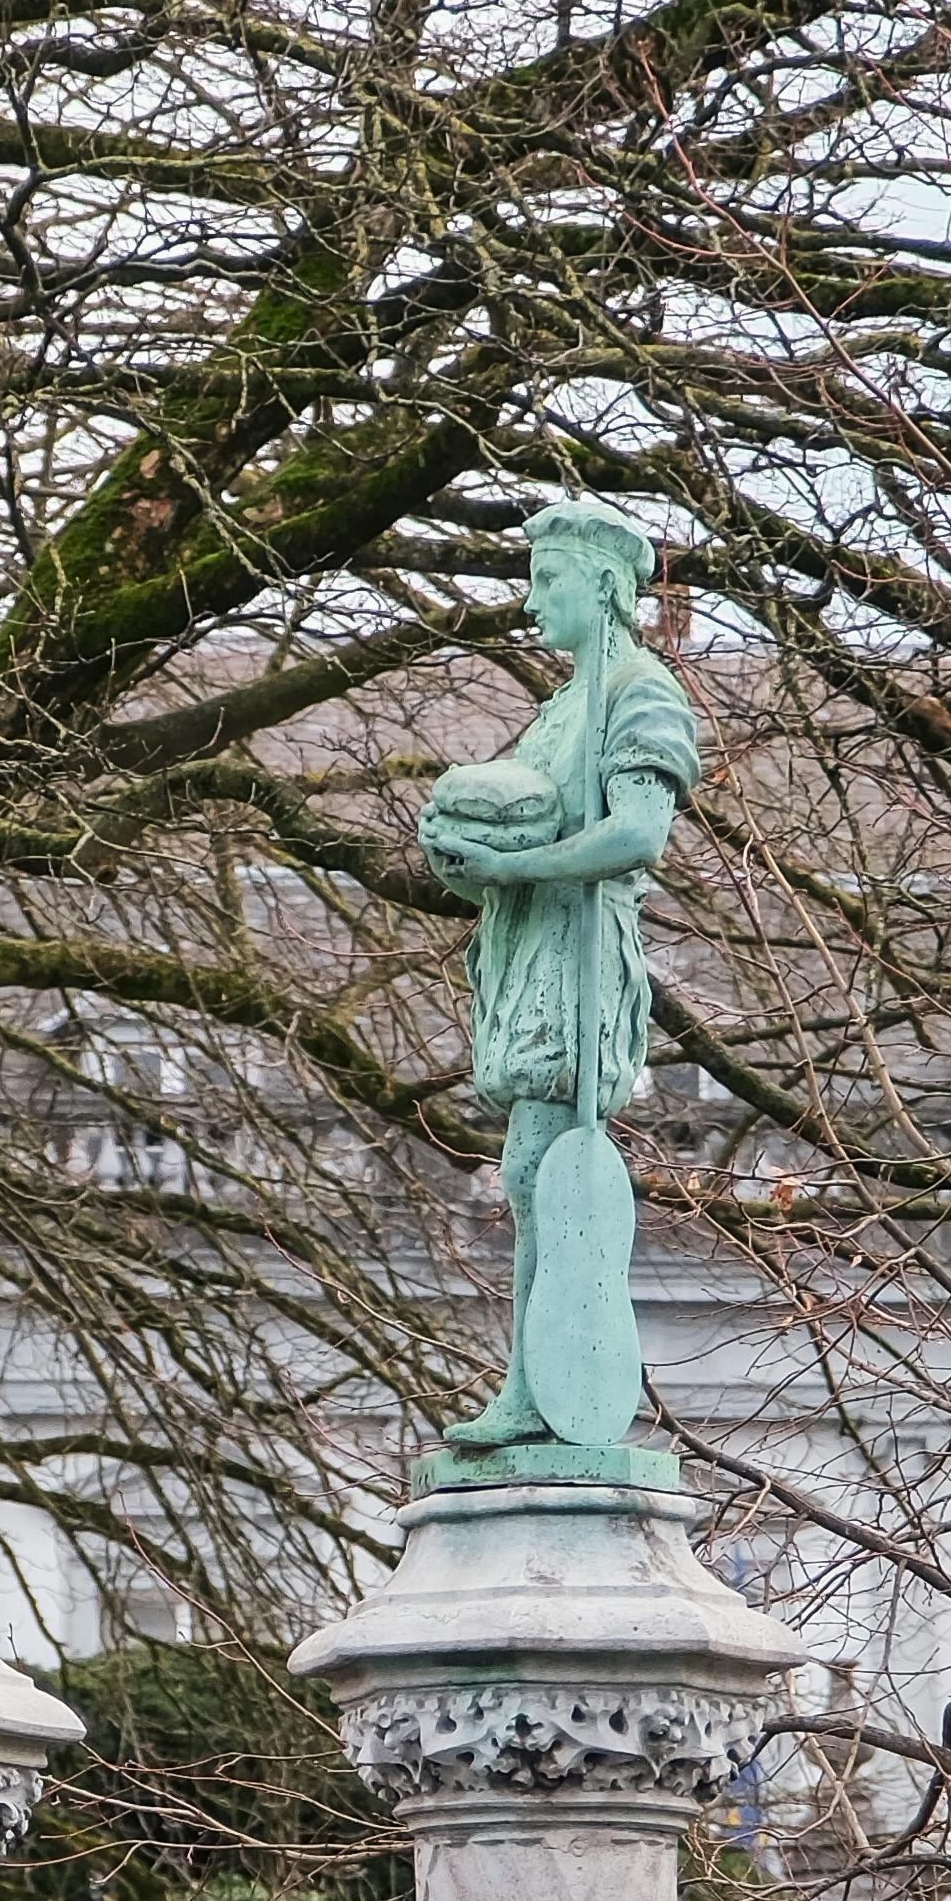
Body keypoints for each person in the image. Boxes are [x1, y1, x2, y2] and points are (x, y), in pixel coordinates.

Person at [419, 502, 700, 1453]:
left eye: (549, 581)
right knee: (527, 1169)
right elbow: (523, 820)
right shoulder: (560, 709)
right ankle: (530, 1390)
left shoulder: (638, 691)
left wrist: (510, 872)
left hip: (580, 953)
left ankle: (536, 1397)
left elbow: (637, 834)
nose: (532, 602)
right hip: (531, 942)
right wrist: (464, 854)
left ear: (606, 586)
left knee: (542, 1169)